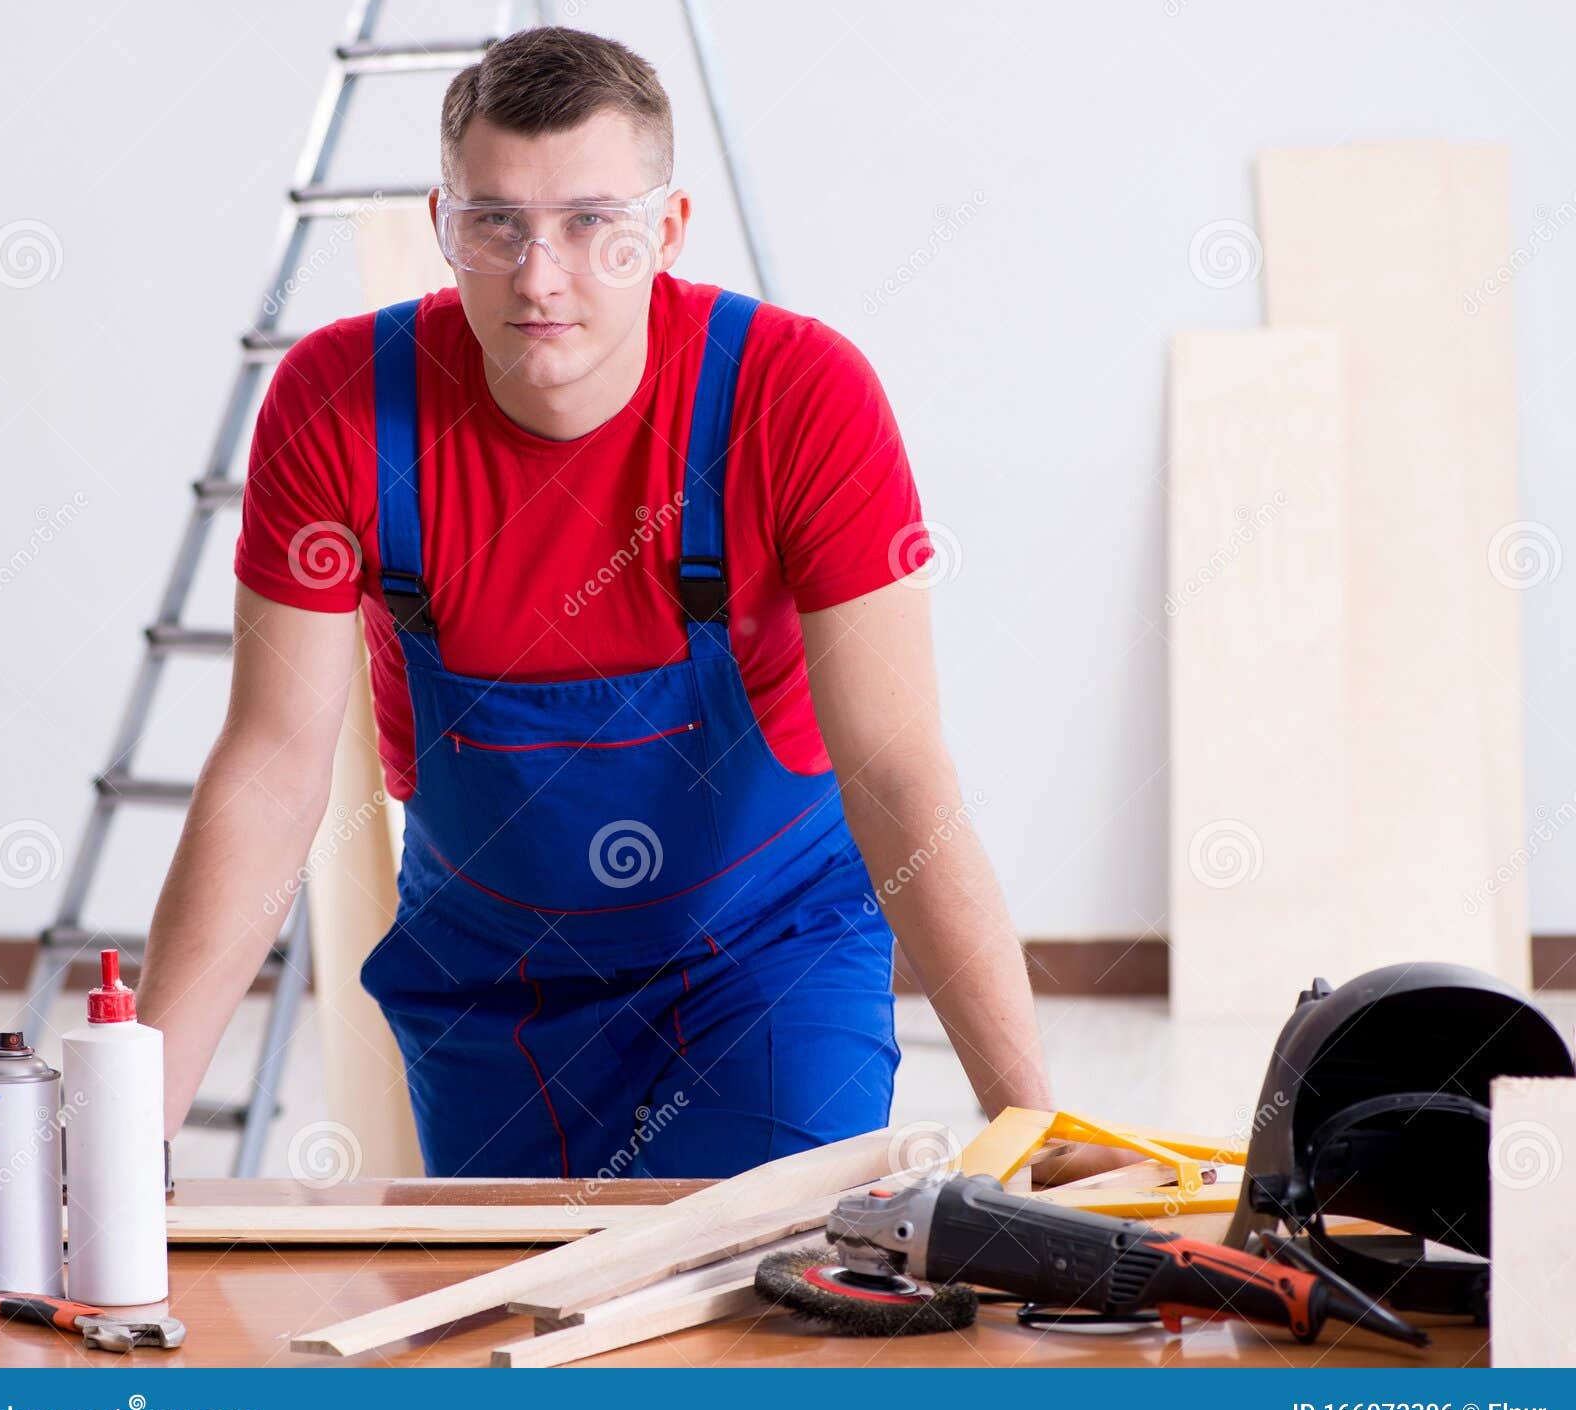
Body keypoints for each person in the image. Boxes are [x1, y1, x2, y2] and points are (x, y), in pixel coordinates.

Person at [138, 26, 1109, 1183]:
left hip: (766, 960)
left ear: (668, 232)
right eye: (494, 223)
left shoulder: (794, 396)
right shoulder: (339, 405)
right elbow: (268, 769)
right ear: (445, 228)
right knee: (515, 1332)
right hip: (491, 983)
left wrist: (1034, 1129)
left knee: (759, 1305)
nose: (538, 276)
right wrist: (123, 1139)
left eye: (593, 224)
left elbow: (898, 775)